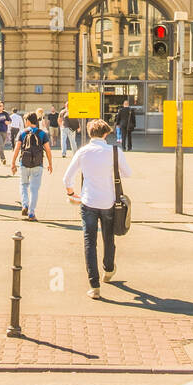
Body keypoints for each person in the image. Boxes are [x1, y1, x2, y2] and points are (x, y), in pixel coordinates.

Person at [63, 119, 132, 299]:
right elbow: (127, 173)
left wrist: (71, 193)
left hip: (88, 202)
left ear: (90, 133)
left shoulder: (83, 152)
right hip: (109, 202)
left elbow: (67, 178)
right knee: (108, 237)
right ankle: (108, 270)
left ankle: (94, 286)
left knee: (89, 242)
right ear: (105, 134)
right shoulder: (115, 152)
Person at [12, 111, 52, 220]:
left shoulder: (22, 133)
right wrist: (50, 164)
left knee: (24, 185)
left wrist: (13, 163)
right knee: (34, 189)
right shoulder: (42, 133)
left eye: (25, 120)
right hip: (38, 165)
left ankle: (25, 204)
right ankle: (31, 213)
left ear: (28, 121)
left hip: (24, 163)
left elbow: (16, 149)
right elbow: (48, 150)